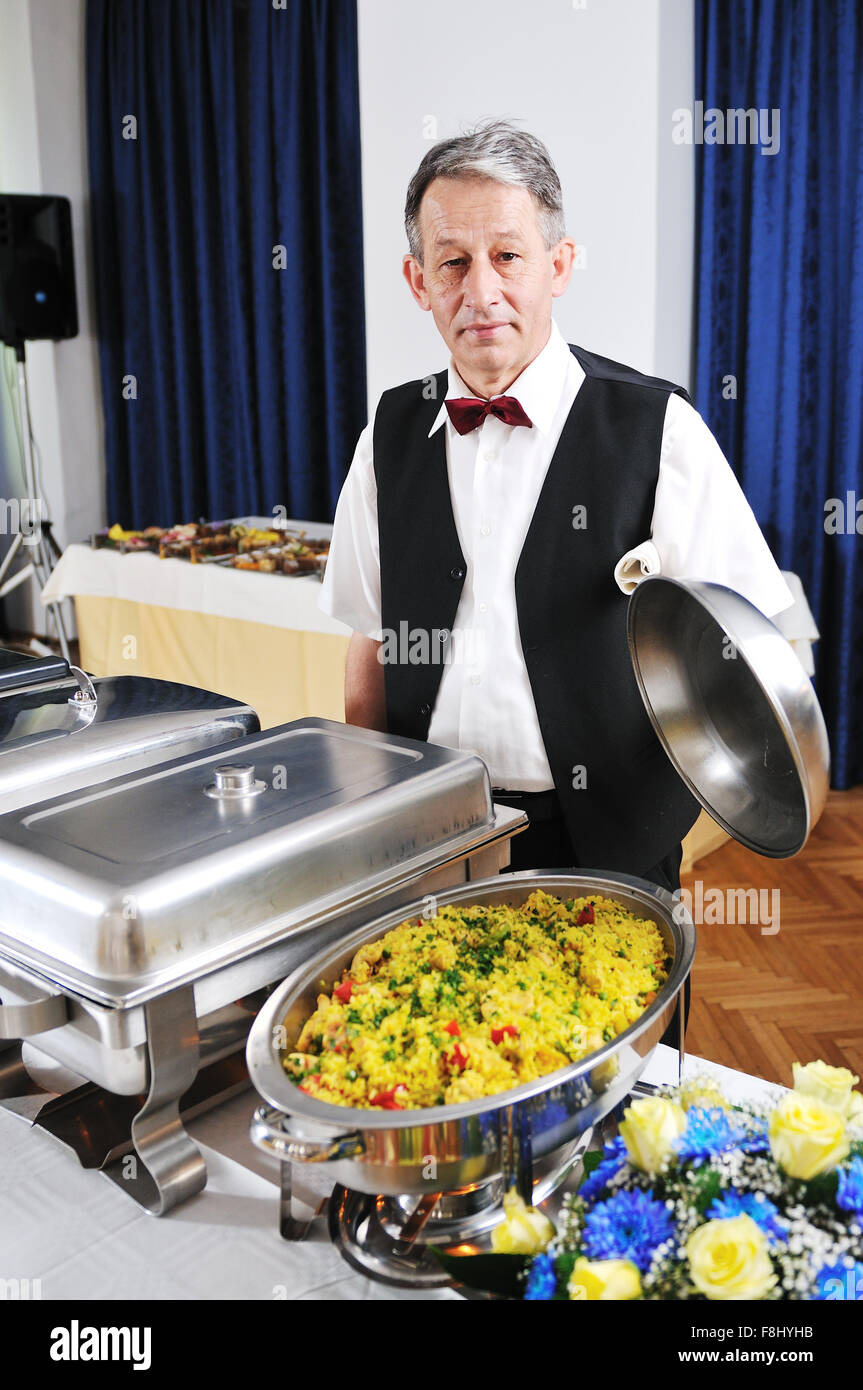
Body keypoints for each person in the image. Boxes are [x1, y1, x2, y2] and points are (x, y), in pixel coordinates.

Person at [320, 120, 792, 899]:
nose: (482, 291)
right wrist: (375, 805)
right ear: (417, 282)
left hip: (609, 837)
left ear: (558, 265)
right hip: (431, 831)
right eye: (452, 263)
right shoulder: (389, 432)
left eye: (507, 255)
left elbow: (743, 646)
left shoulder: (658, 427)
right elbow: (369, 644)